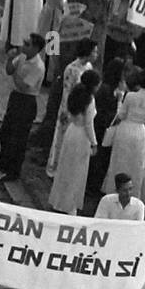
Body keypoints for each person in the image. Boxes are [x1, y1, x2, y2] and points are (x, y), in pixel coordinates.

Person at [102, 69, 145, 194]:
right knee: (135, 164)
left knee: (119, 160)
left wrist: (120, 101)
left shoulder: (130, 96)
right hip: (139, 131)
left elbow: (121, 115)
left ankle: (113, 190)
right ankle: (131, 192)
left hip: (124, 129)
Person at [49, 69, 99, 214]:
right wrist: (94, 143)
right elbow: (89, 124)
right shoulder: (90, 100)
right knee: (77, 172)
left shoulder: (76, 93)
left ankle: (59, 201)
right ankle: (70, 205)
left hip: (71, 132)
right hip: (81, 136)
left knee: (65, 168)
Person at [0, 33, 45, 183]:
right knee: (6, 131)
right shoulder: (22, 57)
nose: (23, 46)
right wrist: (10, 59)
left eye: (27, 44)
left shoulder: (38, 66)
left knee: (18, 139)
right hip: (16, 97)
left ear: (36, 48)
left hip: (27, 101)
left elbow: (23, 86)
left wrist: (16, 73)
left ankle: (13, 171)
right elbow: (9, 70)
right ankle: (3, 164)